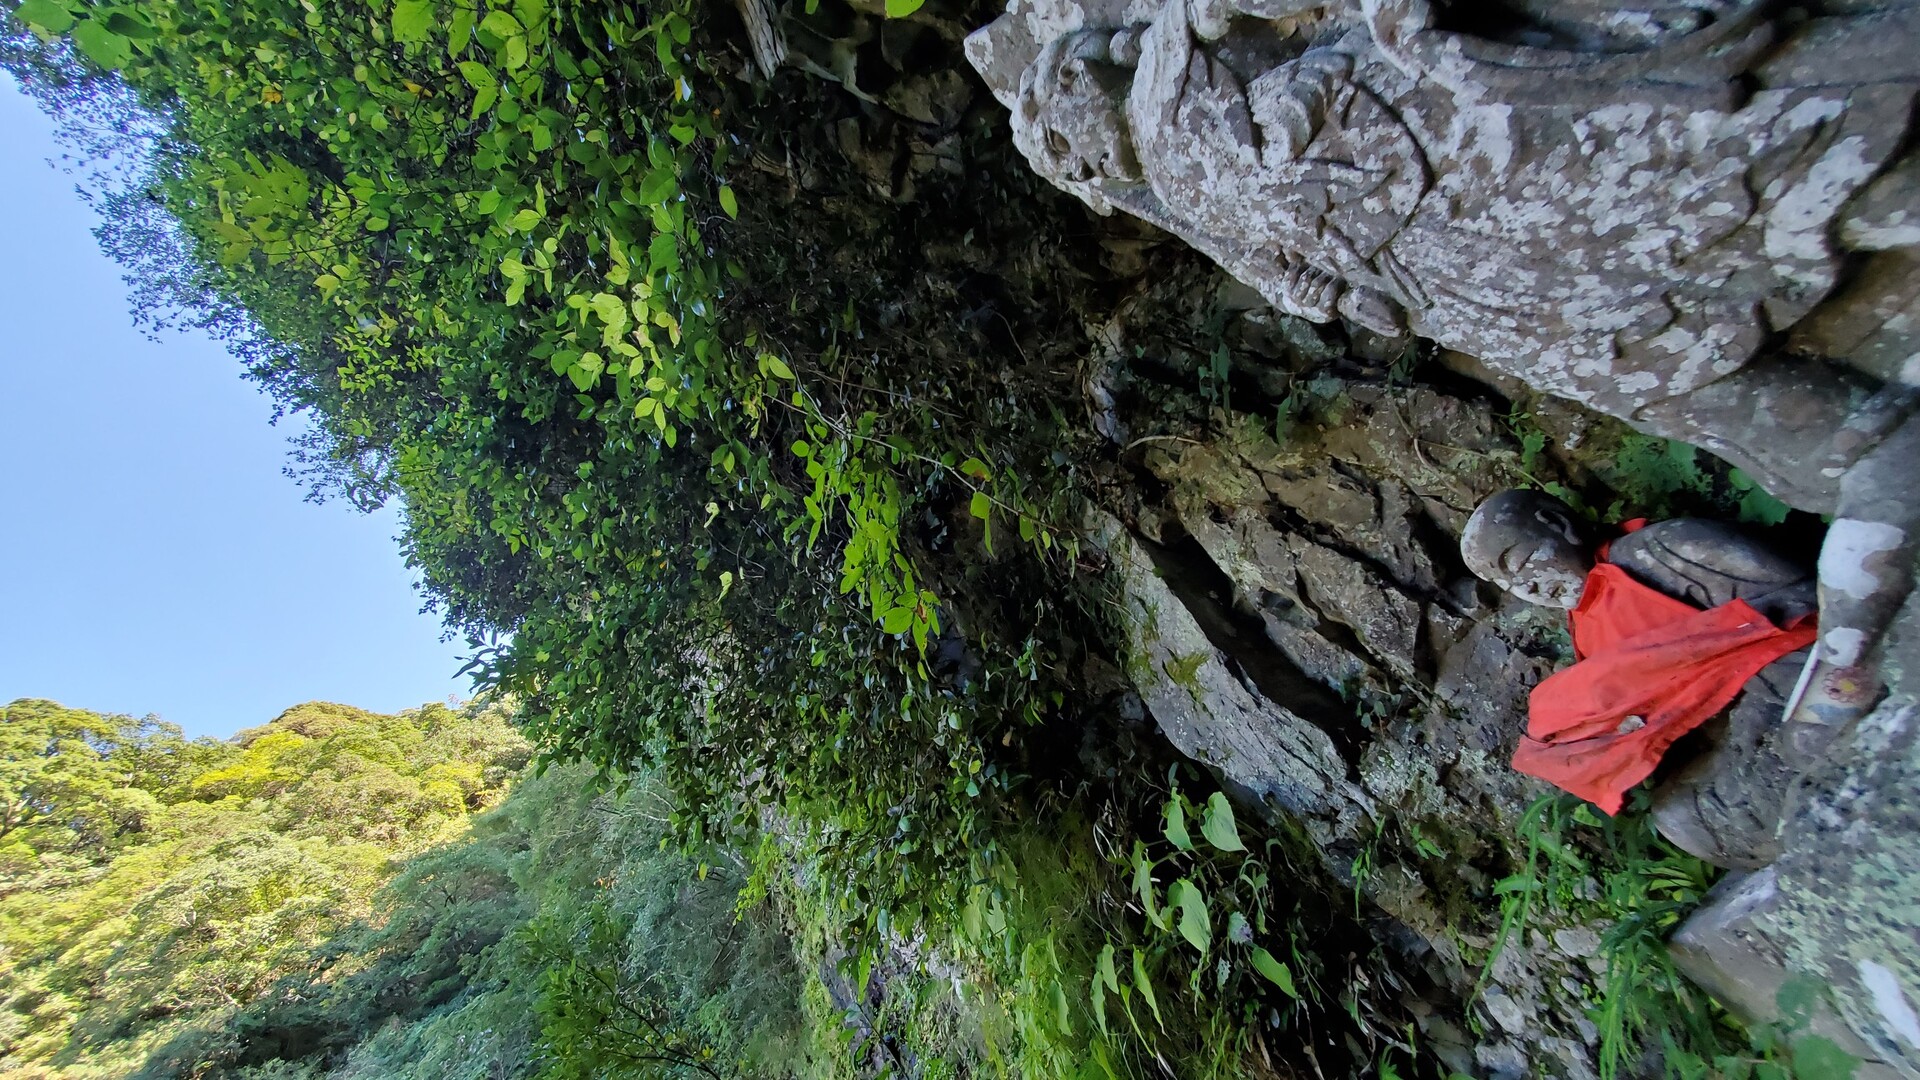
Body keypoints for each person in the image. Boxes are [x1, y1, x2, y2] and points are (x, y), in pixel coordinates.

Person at [1460, 489, 1875, 868]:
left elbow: (1810, 598)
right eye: (1506, 585)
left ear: (1557, 524)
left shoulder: (1662, 549)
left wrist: (1727, 662)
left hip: (1791, 684)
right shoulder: (1584, 626)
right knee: (1679, 818)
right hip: (1729, 730)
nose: (1526, 588)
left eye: (1518, 565)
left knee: (1812, 738)